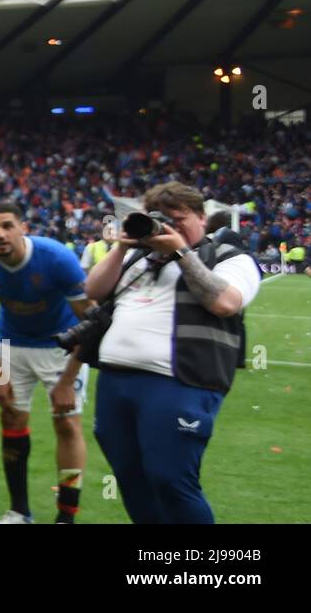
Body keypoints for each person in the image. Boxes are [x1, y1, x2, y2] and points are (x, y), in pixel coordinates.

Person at [85, 182, 261, 524]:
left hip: (180, 381)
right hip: (116, 381)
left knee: (171, 480)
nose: (169, 227)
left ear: (201, 217)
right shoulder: (138, 258)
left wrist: (181, 251)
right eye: (161, 219)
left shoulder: (228, 257)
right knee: (132, 480)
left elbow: (225, 303)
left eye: (179, 219)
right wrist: (121, 247)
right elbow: (93, 289)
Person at [0, 201, 90, 523]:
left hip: (63, 345)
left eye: (7, 225)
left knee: (67, 423)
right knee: (11, 420)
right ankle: (19, 511)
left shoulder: (57, 257)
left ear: (24, 227)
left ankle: (66, 517)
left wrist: (66, 382)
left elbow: (91, 323)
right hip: (13, 344)